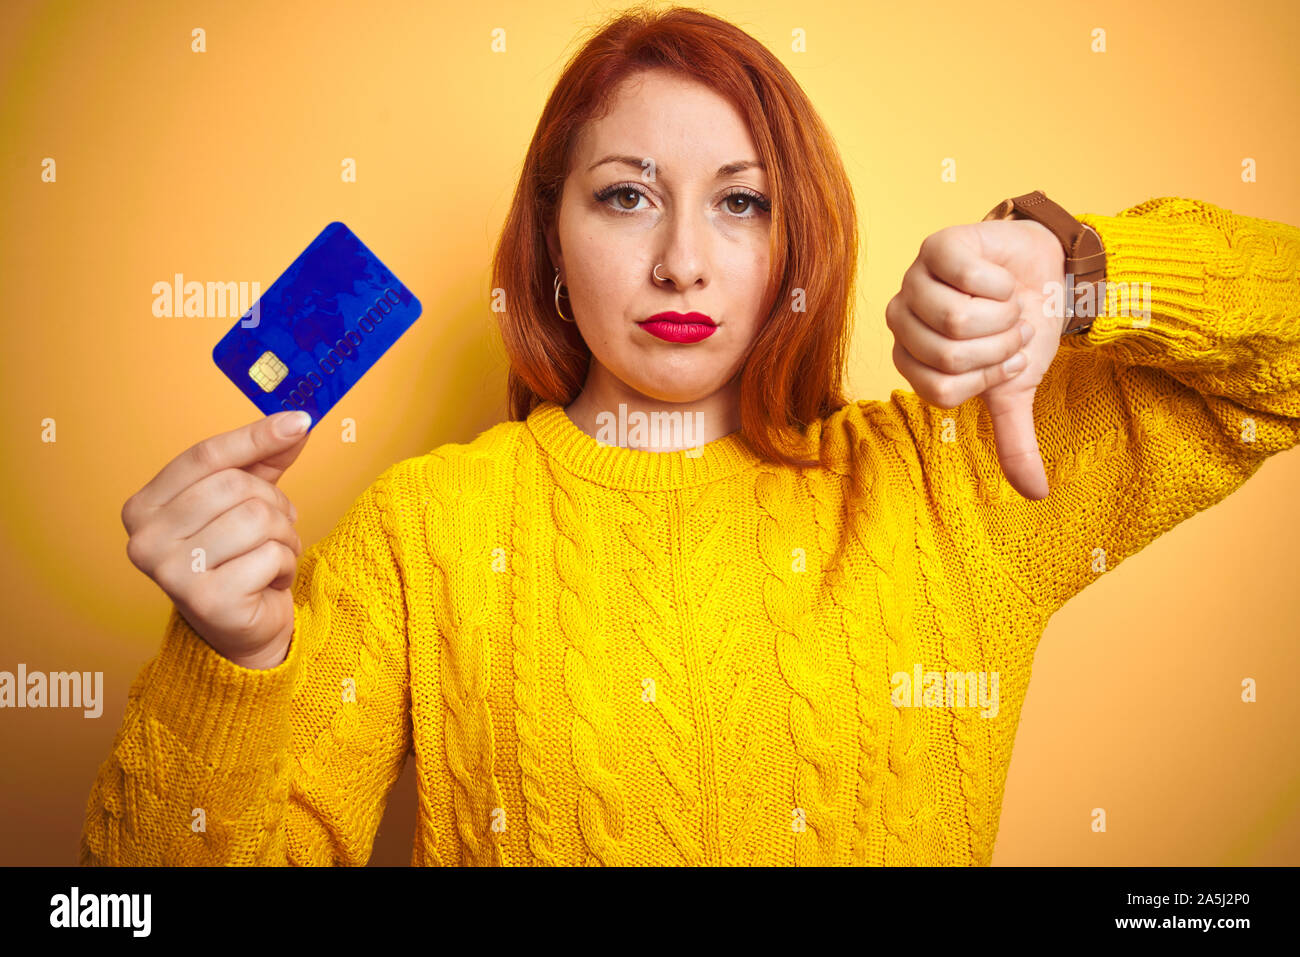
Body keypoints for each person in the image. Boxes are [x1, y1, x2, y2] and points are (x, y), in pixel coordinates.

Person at [81, 5, 1300, 866]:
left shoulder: (949, 484)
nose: (680, 257)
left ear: (797, 242)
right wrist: (227, 666)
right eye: (624, 194)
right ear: (550, 240)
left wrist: (1077, 269)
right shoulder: (428, 534)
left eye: (741, 201)